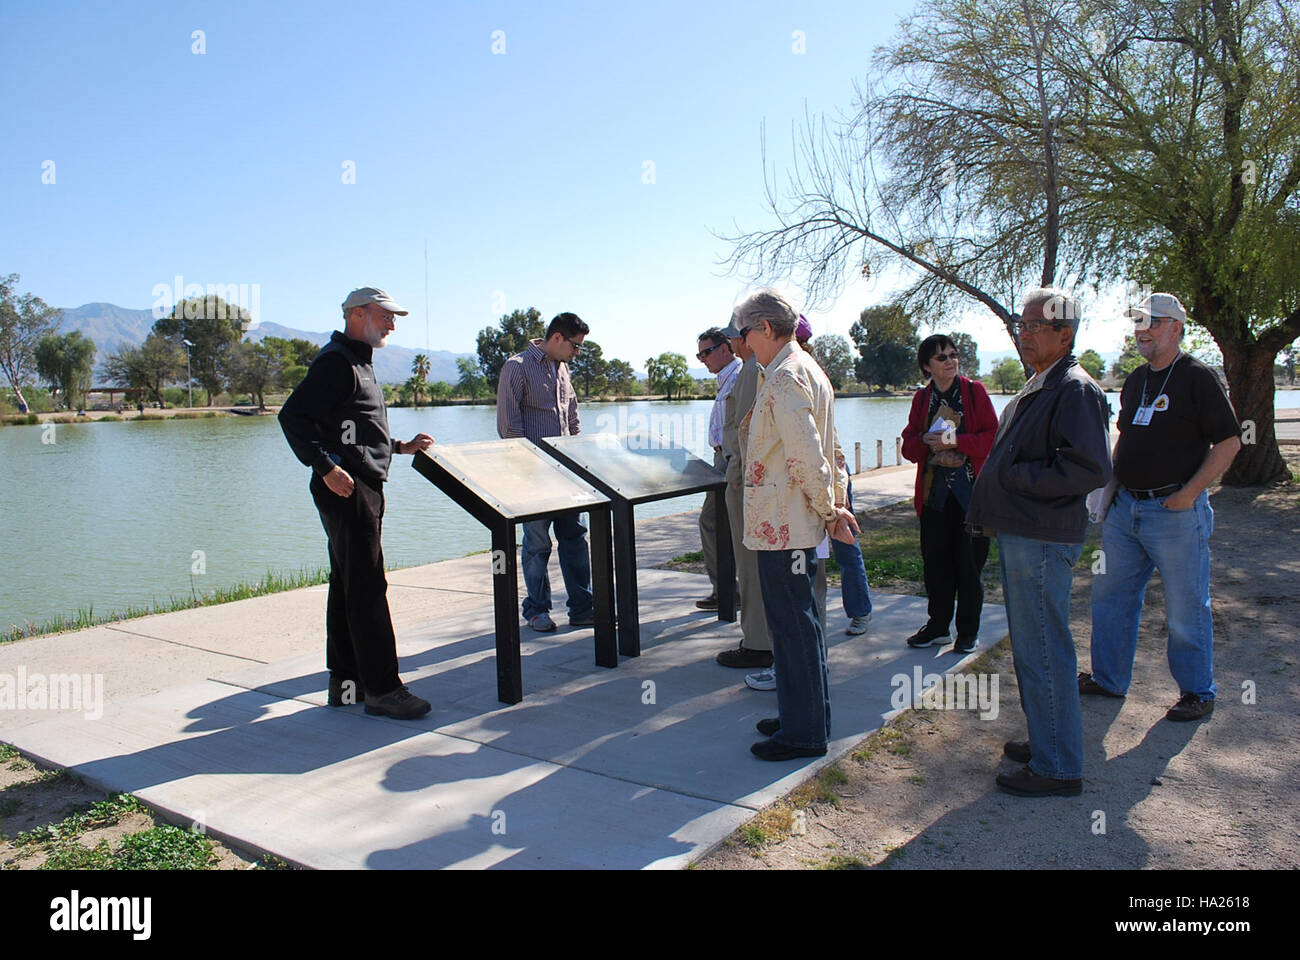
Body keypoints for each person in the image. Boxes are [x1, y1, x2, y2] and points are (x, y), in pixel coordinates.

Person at [966, 288, 1111, 797]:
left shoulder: (1074, 389)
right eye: (1020, 326)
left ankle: (1058, 766)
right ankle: (1049, 741)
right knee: (1033, 648)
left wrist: (1012, 476)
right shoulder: (1045, 383)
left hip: (1042, 537)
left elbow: (1090, 466)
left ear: (1064, 335)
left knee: (1045, 650)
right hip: (1026, 532)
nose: (1022, 334)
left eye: (1033, 327)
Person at [1080, 293, 1240, 722]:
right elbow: (1127, 440)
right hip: (1124, 512)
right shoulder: (1136, 380)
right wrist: (1109, 492)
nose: (1141, 331)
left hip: (1175, 513)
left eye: (1152, 322)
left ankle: (1197, 691)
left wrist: (1189, 494)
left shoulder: (1198, 377)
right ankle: (1108, 679)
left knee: (1187, 607)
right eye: (1137, 324)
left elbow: (1229, 441)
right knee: (1109, 597)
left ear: (1176, 328)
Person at [278, 286, 435, 720]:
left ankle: (345, 685)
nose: (392, 324)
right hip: (346, 489)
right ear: (359, 314)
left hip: (359, 485)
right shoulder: (337, 362)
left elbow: (353, 428)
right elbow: (293, 417)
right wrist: (325, 466)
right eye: (386, 316)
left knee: (348, 584)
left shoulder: (358, 361)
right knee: (367, 588)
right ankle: (384, 690)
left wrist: (400, 447)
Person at [736, 291, 859, 761]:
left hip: (785, 524)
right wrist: (835, 502)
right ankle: (801, 714)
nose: (743, 343)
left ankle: (805, 732)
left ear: (766, 328)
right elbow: (835, 449)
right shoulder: (805, 369)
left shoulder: (787, 376)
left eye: (746, 333)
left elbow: (809, 455)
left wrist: (830, 510)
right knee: (795, 624)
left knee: (793, 628)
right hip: (787, 522)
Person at [496, 312, 595, 633]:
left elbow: (573, 416)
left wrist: (577, 458)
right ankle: (537, 610)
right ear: (557, 338)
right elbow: (509, 426)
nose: (577, 353)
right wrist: (528, 470)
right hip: (533, 476)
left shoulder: (562, 368)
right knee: (537, 544)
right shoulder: (517, 366)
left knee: (575, 539)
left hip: (567, 475)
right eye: (576, 346)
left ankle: (583, 608)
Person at [900, 334, 997, 653]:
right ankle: (938, 625)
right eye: (942, 357)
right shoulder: (921, 399)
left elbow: (992, 438)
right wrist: (925, 440)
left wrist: (955, 441)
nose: (951, 361)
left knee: (969, 566)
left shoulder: (974, 391)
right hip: (934, 499)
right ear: (927, 365)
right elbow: (909, 447)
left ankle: (967, 632)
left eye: (954, 355)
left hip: (973, 499)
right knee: (936, 564)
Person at [796, 315, 873, 637]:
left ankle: (859, 610)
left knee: (843, 542)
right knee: (813, 552)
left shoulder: (801, 373)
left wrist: (836, 491)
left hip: (830, 472)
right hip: (810, 474)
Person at [716, 316, 773, 674]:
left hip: (747, 476)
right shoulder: (767, 366)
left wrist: (738, 472)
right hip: (755, 474)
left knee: (751, 564)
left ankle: (757, 642)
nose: (735, 344)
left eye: (737, 337)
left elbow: (747, 426)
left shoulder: (754, 370)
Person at [694, 327, 741, 613]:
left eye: (706, 352)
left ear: (726, 348)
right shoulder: (728, 378)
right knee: (720, 523)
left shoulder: (737, 377)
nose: (702, 359)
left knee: (711, 522)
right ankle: (728, 588)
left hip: (730, 460)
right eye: (698, 355)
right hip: (722, 458)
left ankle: (726, 588)